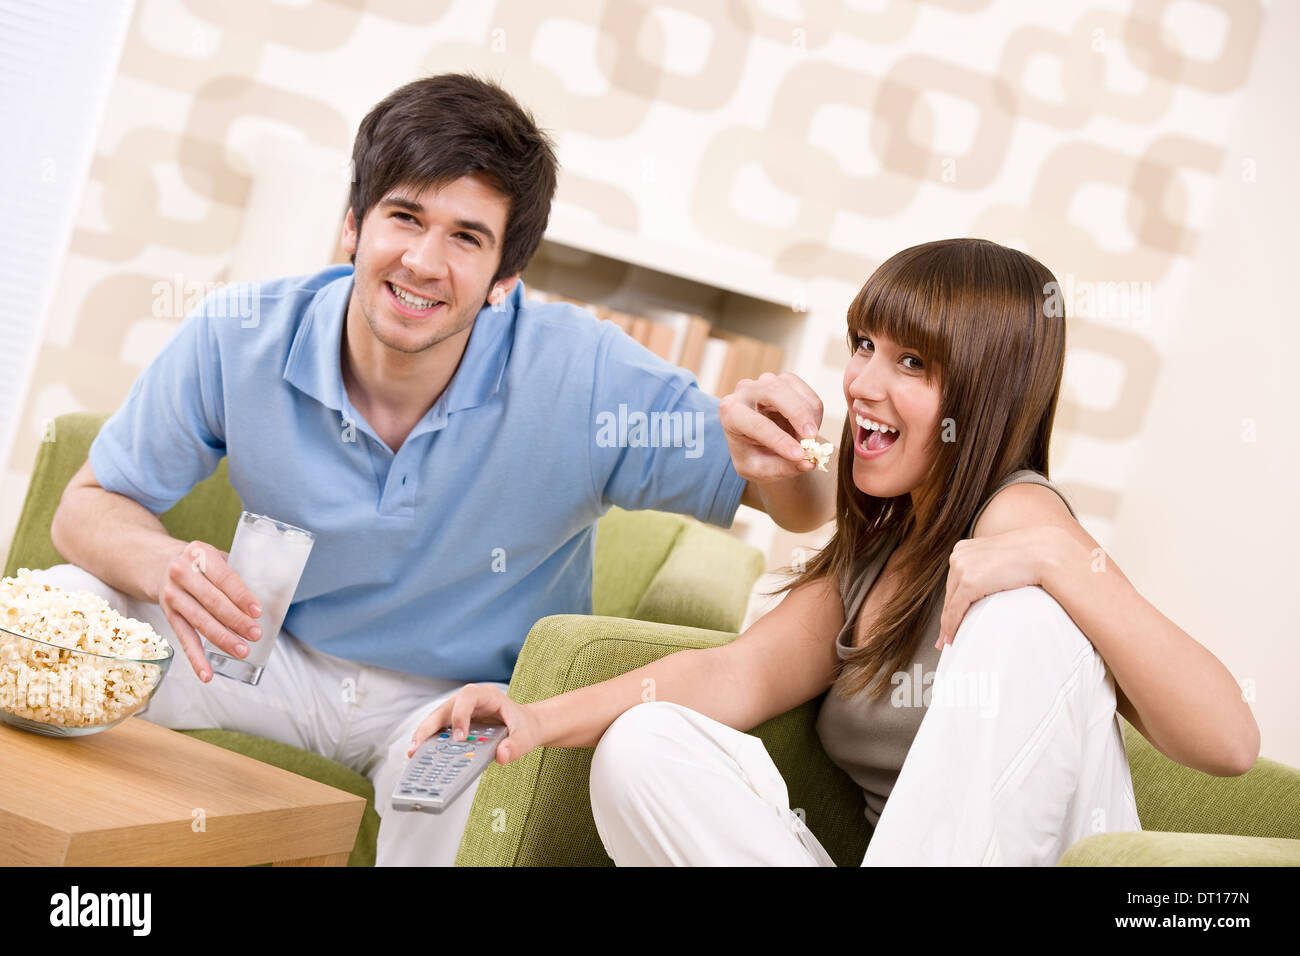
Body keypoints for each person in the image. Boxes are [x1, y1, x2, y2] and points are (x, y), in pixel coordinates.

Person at [34, 74, 835, 866]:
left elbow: (789, 503)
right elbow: (89, 507)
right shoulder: (237, 334)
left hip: (454, 709)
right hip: (264, 658)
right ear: (354, 224)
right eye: (404, 216)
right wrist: (166, 563)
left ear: (505, 277)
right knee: (64, 608)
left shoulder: (584, 375)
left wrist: (789, 450)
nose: (421, 260)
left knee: (466, 816)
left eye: (466, 237)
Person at [410, 237, 1262, 866]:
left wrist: (1061, 561)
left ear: (985, 396)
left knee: (1024, 614)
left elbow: (1227, 740)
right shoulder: (883, 543)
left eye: (914, 363)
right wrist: (533, 718)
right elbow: (736, 675)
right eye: (864, 345)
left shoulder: (1019, 517)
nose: (862, 384)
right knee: (644, 745)